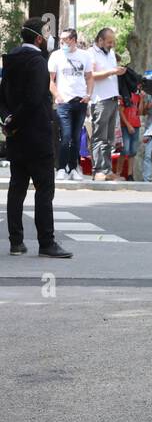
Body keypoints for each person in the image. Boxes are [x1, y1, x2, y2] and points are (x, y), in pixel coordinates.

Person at [3, 18, 72, 258]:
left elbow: (2, 97)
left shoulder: (10, 59)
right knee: (44, 189)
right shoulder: (38, 63)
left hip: (16, 137)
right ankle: (46, 242)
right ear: (39, 38)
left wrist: (8, 122)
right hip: (37, 135)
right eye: (48, 34)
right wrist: (16, 121)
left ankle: (16, 242)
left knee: (17, 187)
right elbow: (34, 100)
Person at [47, 28, 92, 182]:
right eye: (61, 39)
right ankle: (61, 168)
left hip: (80, 100)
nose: (62, 42)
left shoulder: (84, 56)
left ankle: (73, 167)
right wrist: (57, 96)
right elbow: (50, 80)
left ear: (73, 40)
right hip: (64, 102)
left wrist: (88, 95)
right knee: (65, 136)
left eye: (65, 39)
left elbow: (89, 77)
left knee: (76, 136)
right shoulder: (56, 55)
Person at [87, 27, 125, 181]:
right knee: (99, 137)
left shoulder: (110, 54)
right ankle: (98, 170)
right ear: (100, 40)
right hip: (99, 99)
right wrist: (112, 72)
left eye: (113, 42)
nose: (111, 45)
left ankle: (107, 169)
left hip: (112, 98)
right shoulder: (91, 53)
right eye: (109, 42)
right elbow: (91, 75)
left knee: (109, 139)